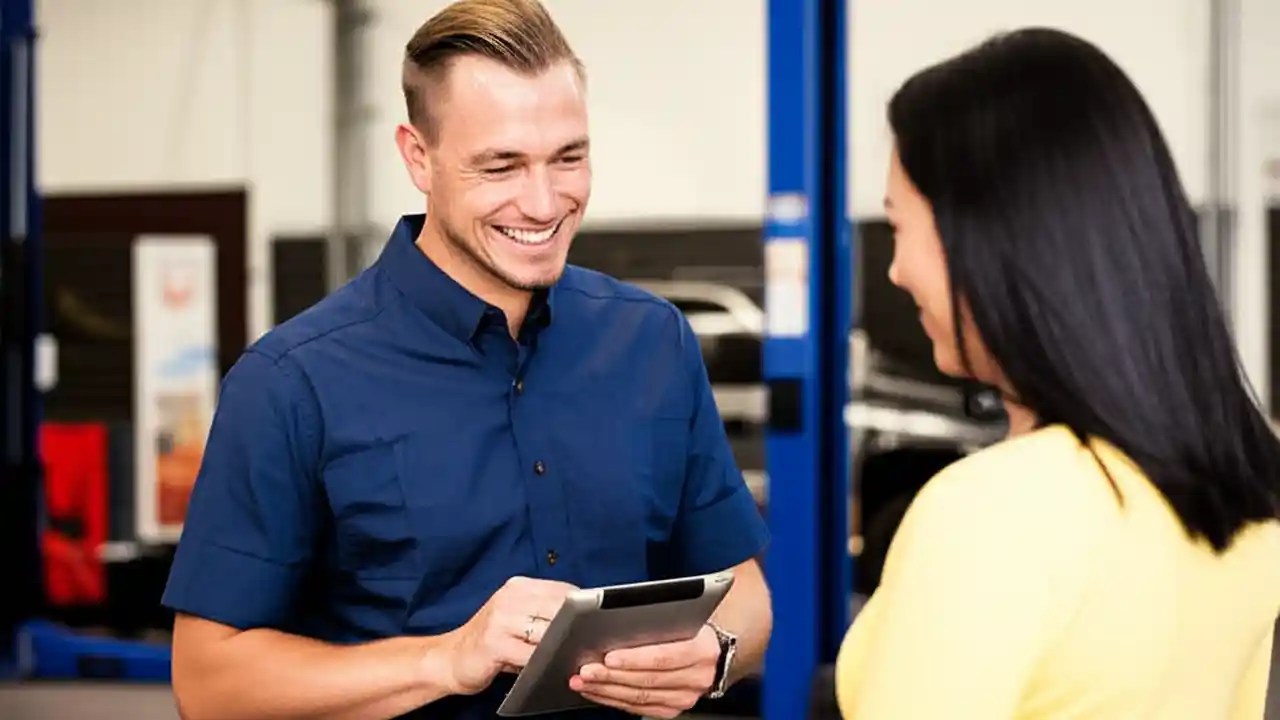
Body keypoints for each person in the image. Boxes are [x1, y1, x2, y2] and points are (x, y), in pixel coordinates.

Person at [161, 1, 773, 718]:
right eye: (501, 165)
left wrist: (714, 653)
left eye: (568, 157)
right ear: (417, 157)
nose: (544, 202)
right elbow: (208, 683)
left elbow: (746, 594)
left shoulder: (651, 342)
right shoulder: (291, 383)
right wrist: (445, 659)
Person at [835, 27, 1280, 719]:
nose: (895, 270)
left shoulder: (988, 514)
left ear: (985, 238)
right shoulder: (1241, 488)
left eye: (898, 227)